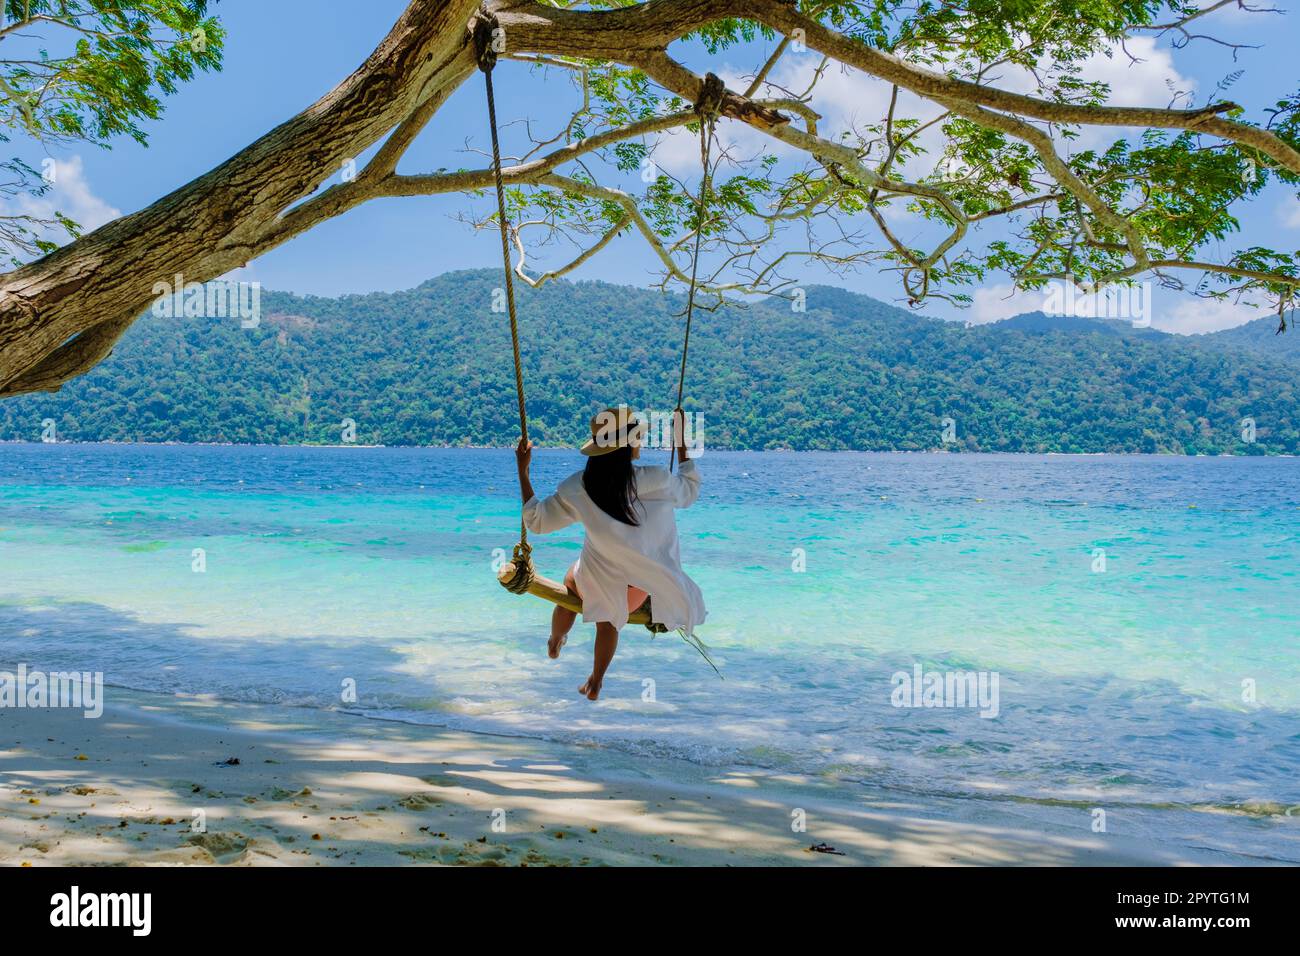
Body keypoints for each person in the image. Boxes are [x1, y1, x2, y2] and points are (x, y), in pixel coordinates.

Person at [515, 405, 705, 700]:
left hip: (593, 585)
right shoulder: (656, 479)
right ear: (629, 444)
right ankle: (596, 679)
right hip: (639, 590)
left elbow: (536, 521)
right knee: (609, 620)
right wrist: (680, 443)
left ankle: (556, 639)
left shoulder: (579, 487)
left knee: (570, 585)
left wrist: (523, 472)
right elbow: (690, 490)